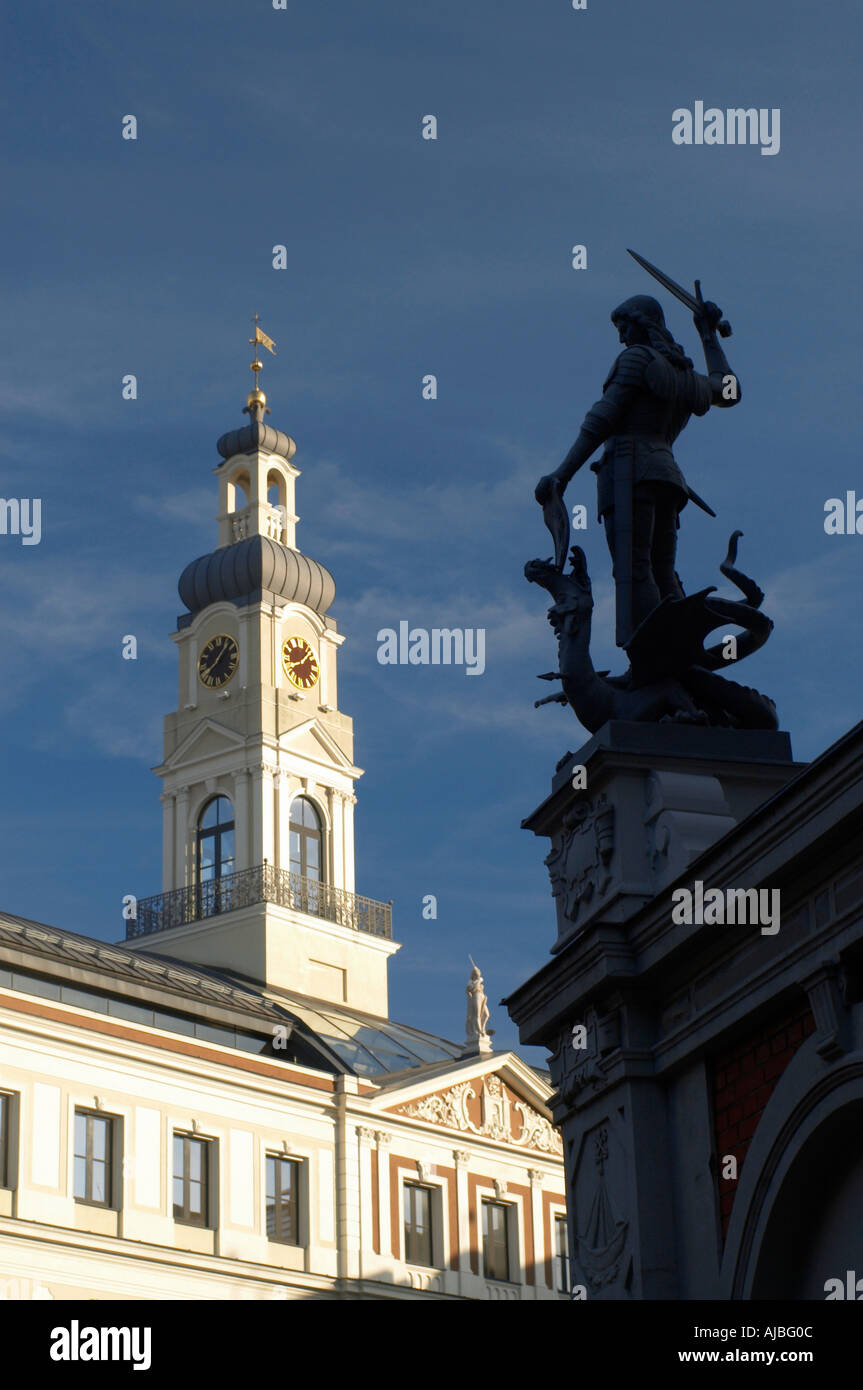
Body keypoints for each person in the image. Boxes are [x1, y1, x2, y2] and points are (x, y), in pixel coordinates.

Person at [535, 294, 740, 640]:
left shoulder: (637, 360)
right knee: (663, 570)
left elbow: (602, 419)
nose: (621, 337)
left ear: (644, 325)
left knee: (636, 568)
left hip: (629, 472)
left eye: (625, 326)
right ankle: (679, 648)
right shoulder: (687, 377)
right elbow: (729, 390)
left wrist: (562, 474)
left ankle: (651, 650)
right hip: (667, 476)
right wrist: (708, 337)